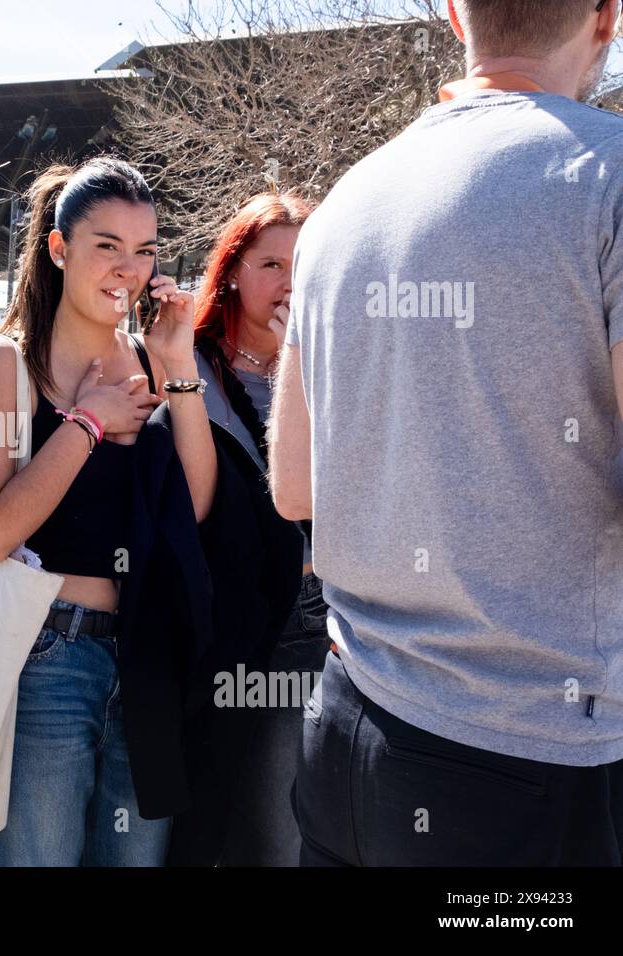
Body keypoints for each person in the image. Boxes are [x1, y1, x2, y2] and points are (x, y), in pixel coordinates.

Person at [270, 0, 623, 865]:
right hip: (532, 750)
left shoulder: (344, 203)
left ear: (456, 15)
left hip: (349, 727)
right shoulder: (607, 175)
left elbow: (295, 485)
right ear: (607, 19)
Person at [0, 158, 217, 867]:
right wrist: (86, 423)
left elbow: (190, 508)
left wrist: (180, 364)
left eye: (145, 250)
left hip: (145, 654)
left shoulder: (149, 358)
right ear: (59, 248)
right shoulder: (2, 367)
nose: (127, 269)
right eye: (107, 246)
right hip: (44, 655)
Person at [181, 192, 316, 866]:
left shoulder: (330, 366)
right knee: (237, 814)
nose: (289, 283)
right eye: (271, 264)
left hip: (316, 619)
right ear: (232, 270)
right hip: (221, 624)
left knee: (289, 823)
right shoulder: (191, 366)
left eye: (304, 263)